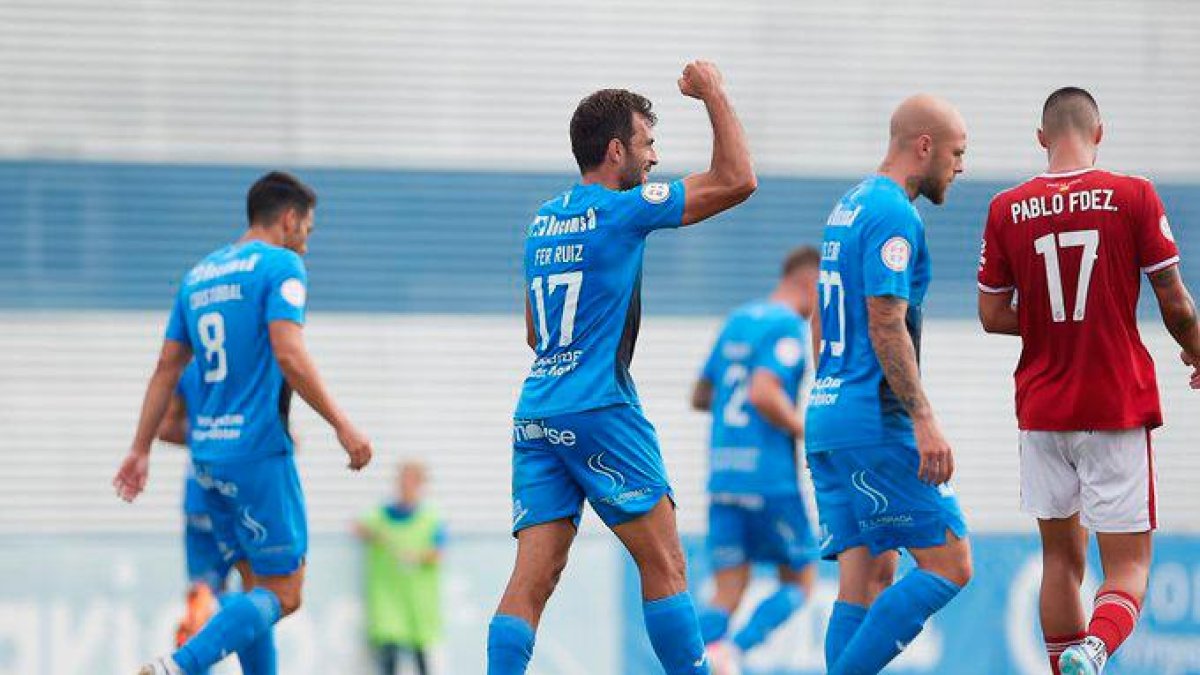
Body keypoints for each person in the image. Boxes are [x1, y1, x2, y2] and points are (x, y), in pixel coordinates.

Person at [486, 60, 756, 675]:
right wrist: (714, 91)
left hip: (537, 413)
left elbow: (535, 331)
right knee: (665, 563)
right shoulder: (623, 209)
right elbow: (738, 179)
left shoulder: (543, 220)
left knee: (534, 579)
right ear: (617, 151)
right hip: (600, 407)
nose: (654, 158)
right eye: (649, 143)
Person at [113, 171, 374, 675]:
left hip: (208, 460)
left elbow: (166, 367)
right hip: (257, 454)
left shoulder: (199, 276)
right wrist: (343, 425)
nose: (307, 240)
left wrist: (139, 448)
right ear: (289, 218)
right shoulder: (282, 266)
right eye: (308, 229)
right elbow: (289, 351)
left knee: (253, 589)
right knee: (285, 593)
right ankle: (178, 667)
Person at [977, 87, 1200, 675]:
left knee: (1060, 560)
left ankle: (1066, 667)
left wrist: (1052, 322)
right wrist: (1197, 350)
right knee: (1127, 569)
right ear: (1099, 132)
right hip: (1114, 403)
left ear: (1041, 138)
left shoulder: (1005, 208)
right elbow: (1174, 303)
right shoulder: (1133, 195)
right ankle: (1095, 649)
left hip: (1043, 408)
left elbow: (992, 313)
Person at [805, 94, 973, 675]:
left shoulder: (848, 206)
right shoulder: (893, 213)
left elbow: (818, 318)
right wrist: (924, 419)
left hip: (828, 419)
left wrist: (829, 391)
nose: (960, 166)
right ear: (923, 146)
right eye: (956, 153)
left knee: (867, 577)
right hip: (874, 422)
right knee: (951, 563)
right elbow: (884, 318)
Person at [690, 246, 822, 674]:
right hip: (770, 479)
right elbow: (763, 393)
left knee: (728, 589)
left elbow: (701, 395)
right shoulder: (787, 327)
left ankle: (701, 660)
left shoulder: (739, 320)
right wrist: (807, 430)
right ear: (809, 282)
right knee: (801, 581)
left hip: (724, 474)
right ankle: (737, 649)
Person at [156, 360, 237, 663]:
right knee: (255, 594)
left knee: (202, 593)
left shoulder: (189, 369)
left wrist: (201, 433)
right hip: (235, 493)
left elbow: (165, 428)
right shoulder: (247, 359)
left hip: (197, 491)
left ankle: (188, 660)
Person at [354, 462, 446, 675]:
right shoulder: (380, 515)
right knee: (389, 658)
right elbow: (358, 527)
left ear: (421, 484)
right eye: (403, 480)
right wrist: (376, 536)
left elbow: (438, 551)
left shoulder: (431, 518)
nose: (406, 486)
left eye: (412, 481)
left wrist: (416, 557)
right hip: (387, 600)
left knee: (421, 658)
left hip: (418, 602)